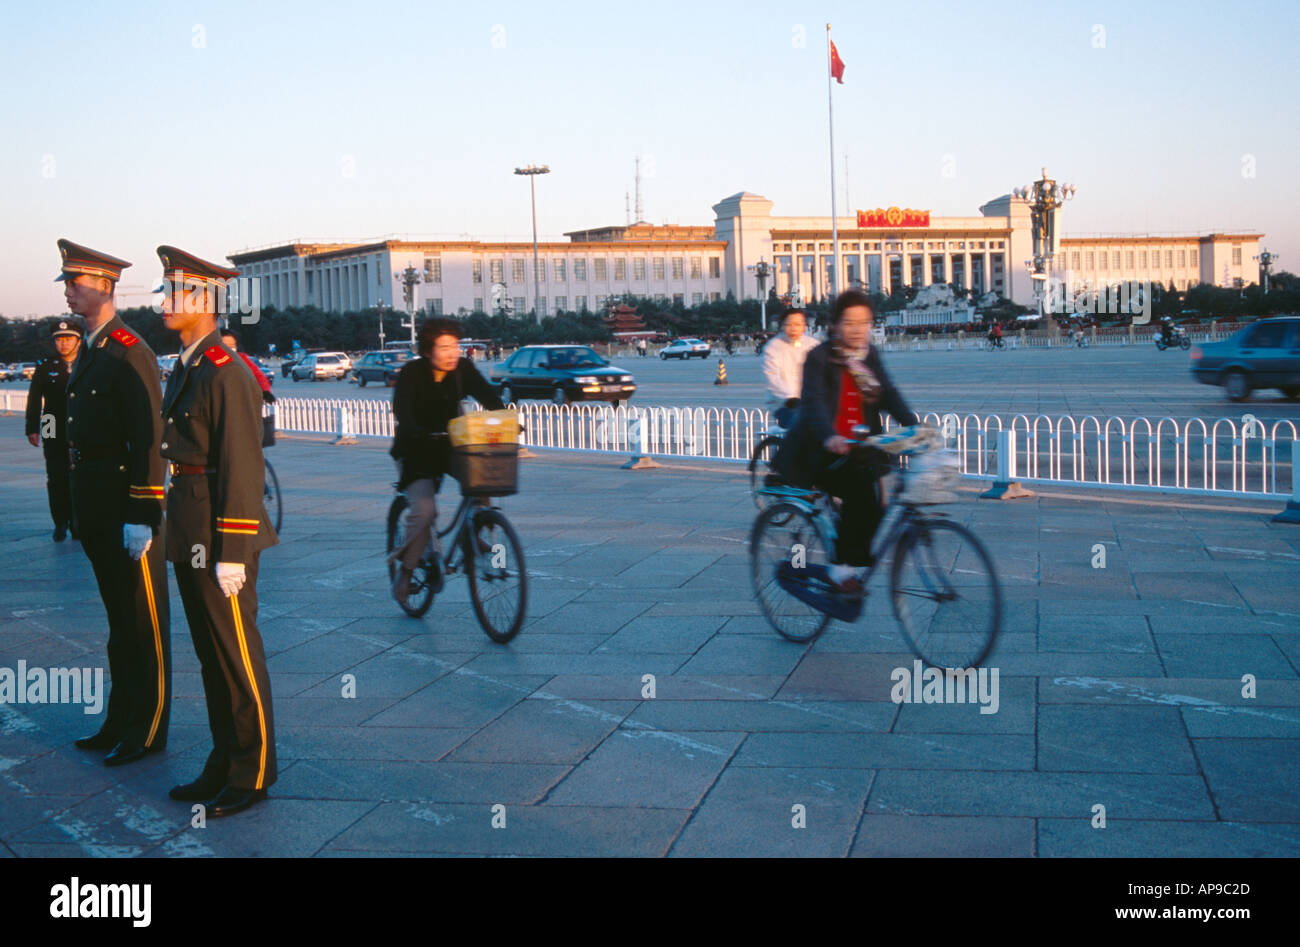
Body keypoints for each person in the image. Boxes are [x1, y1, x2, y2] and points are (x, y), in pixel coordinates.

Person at [157, 246, 278, 817]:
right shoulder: (190, 365)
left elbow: (241, 465)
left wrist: (233, 549)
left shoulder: (226, 374)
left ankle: (252, 769)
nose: (164, 303)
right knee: (210, 654)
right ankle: (223, 757)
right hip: (189, 525)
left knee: (236, 654)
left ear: (203, 300)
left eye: (174, 293)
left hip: (219, 532)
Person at [57, 238, 170, 765]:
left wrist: (143, 513)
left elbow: (149, 438)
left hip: (126, 507)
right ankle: (120, 717)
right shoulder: (95, 348)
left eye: (75, 285)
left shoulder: (130, 350)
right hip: (98, 504)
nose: (68, 296)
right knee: (118, 623)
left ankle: (146, 728)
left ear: (102, 287)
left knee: (141, 622)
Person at [773, 290, 917, 595]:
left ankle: (849, 561)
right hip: (818, 450)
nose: (857, 329)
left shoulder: (869, 356)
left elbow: (888, 393)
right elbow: (813, 402)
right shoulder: (820, 357)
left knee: (879, 501)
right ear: (835, 324)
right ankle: (840, 570)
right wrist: (830, 436)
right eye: (849, 322)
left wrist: (916, 428)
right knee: (861, 495)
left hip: (860, 446)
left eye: (863, 323)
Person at [389, 318, 504, 606]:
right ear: (428, 351)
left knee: (482, 474)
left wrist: (505, 417)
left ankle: (474, 531)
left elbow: (486, 394)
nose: (452, 353)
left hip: (451, 444)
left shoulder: (462, 370)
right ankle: (405, 572)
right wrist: (416, 430)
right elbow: (401, 408)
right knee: (425, 510)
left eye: (455, 346)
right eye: (444, 347)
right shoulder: (412, 372)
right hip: (416, 449)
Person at [26, 318, 84, 541]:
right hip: (51, 423)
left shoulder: (86, 363)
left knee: (79, 476)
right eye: (59, 340)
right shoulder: (45, 366)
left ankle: (78, 521)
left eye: (68, 339)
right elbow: (34, 399)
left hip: (80, 425)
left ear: (78, 341)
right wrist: (32, 428)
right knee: (55, 475)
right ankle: (60, 522)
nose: (64, 344)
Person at [763, 307, 820, 429]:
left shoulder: (813, 345)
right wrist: (789, 397)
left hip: (810, 401)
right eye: (789, 324)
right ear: (782, 326)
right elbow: (774, 378)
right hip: (783, 404)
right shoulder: (773, 347)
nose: (794, 328)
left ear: (804, 326)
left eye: (798, 324)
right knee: (801, 427)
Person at [220, 328, 275, 403]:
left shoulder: (242, 358)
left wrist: (265, 391)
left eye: (232, 346)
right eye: (225, 346)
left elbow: (258, 375)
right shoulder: (210, 358)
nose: (229, 349)